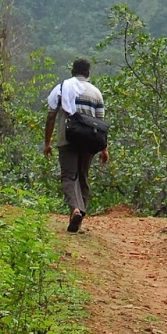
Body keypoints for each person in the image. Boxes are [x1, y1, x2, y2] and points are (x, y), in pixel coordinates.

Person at [43, 58, 108, 233]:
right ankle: (80, 215)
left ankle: (74, 210)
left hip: (67, 140)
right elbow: (100, 124)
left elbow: (51, 117)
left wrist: (47, 142)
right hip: (90, 141)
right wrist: (104, 149)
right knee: (83, 177)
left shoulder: (62, 88)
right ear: (88, 73)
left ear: (73, 71)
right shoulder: (96, 93)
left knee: (68, 176)